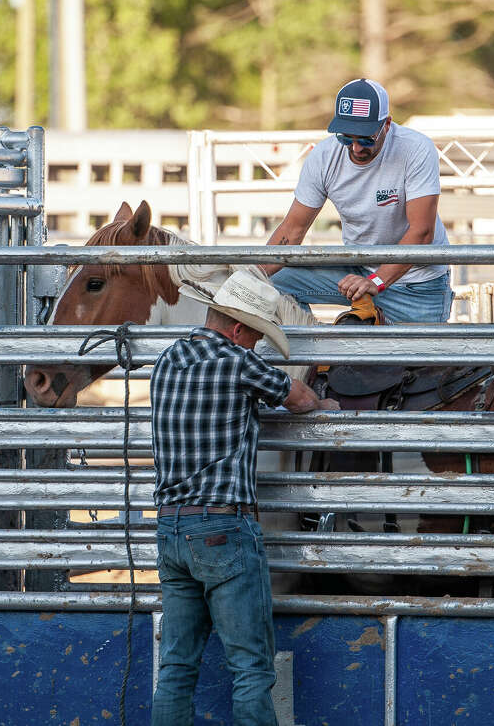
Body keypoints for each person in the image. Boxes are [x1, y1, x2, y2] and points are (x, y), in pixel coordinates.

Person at [149, 268, 336, 726]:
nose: (254, 344)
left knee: (175, 668)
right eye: (254, 335)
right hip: (224, 529)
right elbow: (297, 398)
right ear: (237, 329)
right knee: (251, 669)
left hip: (171, 528)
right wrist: (325, 405)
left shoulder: (168, 360)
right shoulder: (237, 361)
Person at [262, 78, 454, 324]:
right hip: (359, 273)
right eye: (345, 137)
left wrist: (376, 282)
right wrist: (251, 276)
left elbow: (422, 231)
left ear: (386, 124)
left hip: (415, 285)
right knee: (271, 282)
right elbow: (293, 228)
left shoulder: (415, 149)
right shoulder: (323, 156)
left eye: (365, 139)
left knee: (415, 361)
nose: (355, 148)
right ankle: (313, 354)